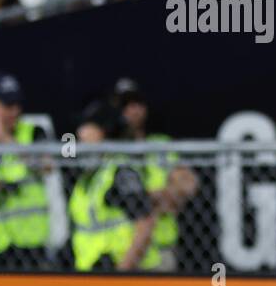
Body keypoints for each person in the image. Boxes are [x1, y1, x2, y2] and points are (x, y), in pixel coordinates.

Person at [111, 77, 197, 271]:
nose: (133, 110)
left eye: (137, 103)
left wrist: (142, 199)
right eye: (125, 105)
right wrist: (159, 199)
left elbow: (188, 184)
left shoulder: (160, 144)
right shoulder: (110, 151)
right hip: (121, 252)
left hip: (160, 251)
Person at [67, 101, 159, 272]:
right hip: (92, 271)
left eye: (88, 127)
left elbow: (146, 223)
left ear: (104, 131)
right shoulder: (89, 175)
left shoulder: (120, 171)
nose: (80, 133)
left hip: (124, 273)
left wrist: (122, 272)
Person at [0, 72, 50, 270]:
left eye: (17, 104)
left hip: (31, 247)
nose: (15, 111)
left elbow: (47, 166)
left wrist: (4, 140)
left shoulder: (33, 132)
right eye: (7, 105)